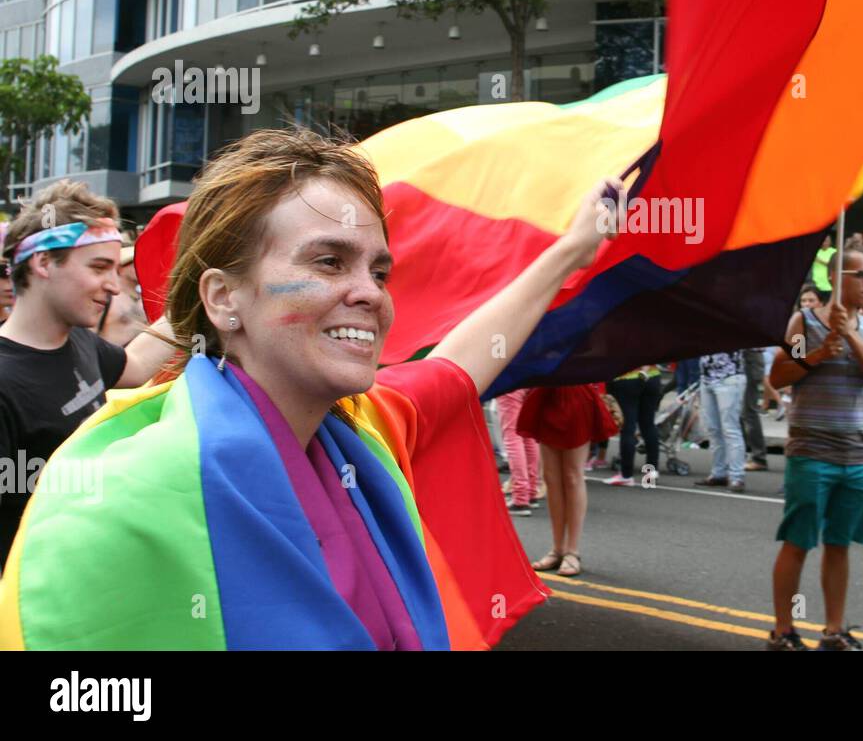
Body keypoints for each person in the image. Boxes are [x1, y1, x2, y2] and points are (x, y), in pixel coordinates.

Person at [0, 129, 617, 649]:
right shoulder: (117, 506)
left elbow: (459, 366)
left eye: (379, 270)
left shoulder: (362, 431)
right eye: (329, 262)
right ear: (222, 298)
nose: (370, 293)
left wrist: (573, 250)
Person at [0, 181, 176, 566]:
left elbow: (136, 365)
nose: (113, 286)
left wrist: (195, 295)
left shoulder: (79, 341)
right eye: (99, 268)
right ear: (43, 263)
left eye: (115, 269)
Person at [767, 246, 863, 650]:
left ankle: (834, 629)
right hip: (812, 453)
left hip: (857, 457)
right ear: (837, 278)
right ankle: (783, 630)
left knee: (840, 544)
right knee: (798, 541)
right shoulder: (804, 323)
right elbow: (780, 375)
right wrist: (817, 354)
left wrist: (849, 334)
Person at [519, 383, 619, 577]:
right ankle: (557, 549)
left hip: (576, 394)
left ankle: (572, 551)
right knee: (552, 478)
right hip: (547, 394)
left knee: (572, 476)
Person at [695, 350, 748, 492]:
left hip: (729, 377)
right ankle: (719, 473)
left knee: (730, 429)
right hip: (707, 377)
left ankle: (737, 477)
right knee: (713, 429)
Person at [605, 365, 662, 487]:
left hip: (627, 378)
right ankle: (651, 473)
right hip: (652, 376)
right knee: (648, 426)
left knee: (628, 428)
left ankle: (626, 475)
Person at [497, 388, 539, 516]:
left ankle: (521, 498)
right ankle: (531, 492)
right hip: (532, 378)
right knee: (527, 435)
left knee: (512, 436)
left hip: (511, 380)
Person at [98, 244, 148, 348]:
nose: (141, 266)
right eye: (134, 263)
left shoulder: (144, 297)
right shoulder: (106, 297)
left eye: (144, 262)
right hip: (112, 359)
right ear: (120, 269)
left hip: (139, 359)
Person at [810, 235, 835, 301]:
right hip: (815, 283)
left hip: (829, 284)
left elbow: (834, 264)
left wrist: (819, 260)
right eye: (823, 241)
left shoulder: (834, 251)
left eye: (826, 241)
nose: (824, 243)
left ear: (830, 242)